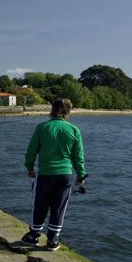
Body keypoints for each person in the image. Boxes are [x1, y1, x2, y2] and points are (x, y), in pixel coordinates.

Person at [22, 98, 87, 251]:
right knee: (58, 207)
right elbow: (78, 156)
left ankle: (33, 235)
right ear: (68, 111)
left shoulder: (42, 127)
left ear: (52, 109)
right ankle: (53, 239)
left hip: (45, 173)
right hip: (65, 174)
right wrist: (81, 175)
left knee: (40, 204)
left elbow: (32, 150)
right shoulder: (74, 130)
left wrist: (29, 167)